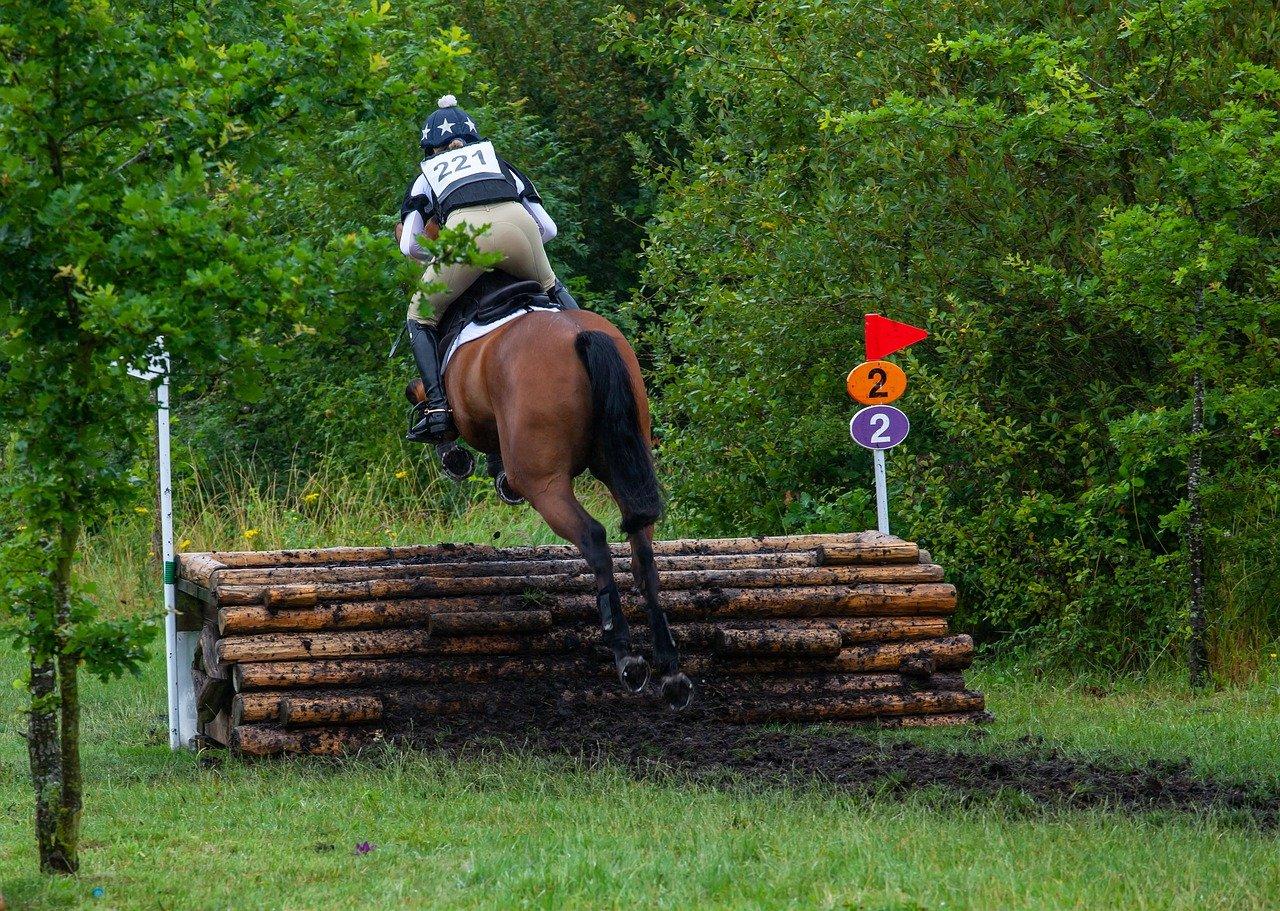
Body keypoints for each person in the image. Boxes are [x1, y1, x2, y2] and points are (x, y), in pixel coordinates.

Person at [395, 94, 579, 444]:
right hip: (520, 230)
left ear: (430, 148)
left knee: (418, 315)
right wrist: (517, 249)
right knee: (553, 288)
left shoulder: (426, 175)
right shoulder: (501, 164)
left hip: (466, 239)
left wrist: (439, 257)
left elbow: (409, 245)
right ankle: (600, 354)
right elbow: (549, 229)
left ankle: (437, 409)